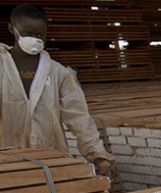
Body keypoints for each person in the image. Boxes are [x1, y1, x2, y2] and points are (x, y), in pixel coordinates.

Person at [0, 4, 115, 177]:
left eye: (39, 35)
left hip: (51, 157)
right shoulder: (2, 68)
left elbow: (79, 117)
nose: (34, 39)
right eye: (27, 34)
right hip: (7, 160)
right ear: (12, 29)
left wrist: (97, 154)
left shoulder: (58, 73)